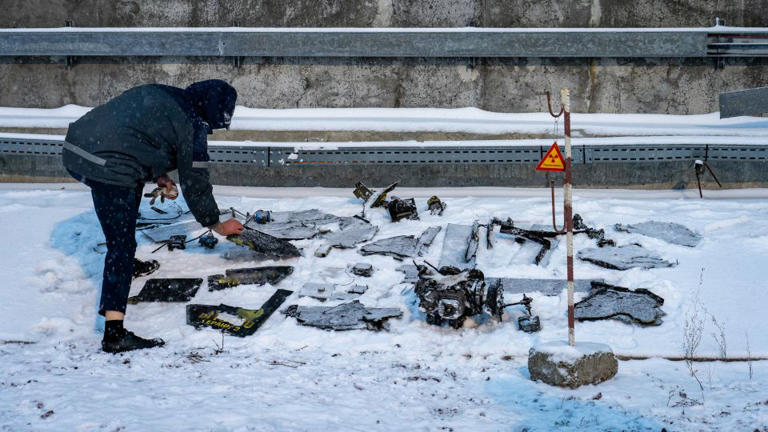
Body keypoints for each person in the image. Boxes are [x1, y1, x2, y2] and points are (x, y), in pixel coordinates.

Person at [62, 79, 244, 354]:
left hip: (77, 148)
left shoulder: (164, 95)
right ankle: (114, 333)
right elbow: (196, 181)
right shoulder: (192, 124)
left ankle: (123, 268)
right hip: (108, 163)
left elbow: (135, 135)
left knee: (123, 200)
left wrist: (159, 175)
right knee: (121, 244)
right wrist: (216, 224)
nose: (210, 130)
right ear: (211, 110)